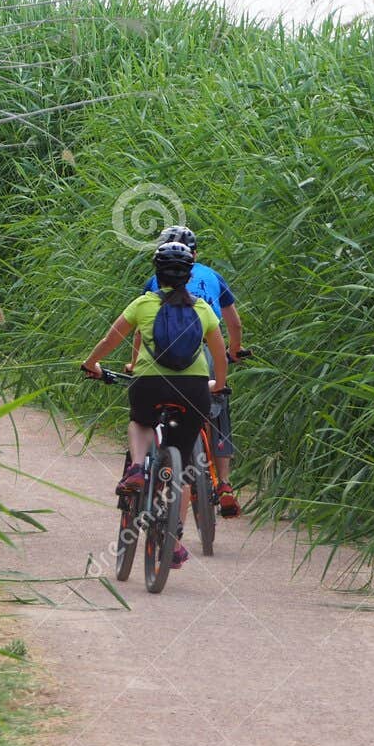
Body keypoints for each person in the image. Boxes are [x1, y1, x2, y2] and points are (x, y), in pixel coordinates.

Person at [83, 241, 227, 569]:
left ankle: (136, 467)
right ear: (189, 274)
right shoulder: (203, 309)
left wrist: (91, 364)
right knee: (185, 469)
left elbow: (111, 340)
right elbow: (219, 355)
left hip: (150, 383)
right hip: (193, 390)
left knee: (140, 421)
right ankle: (172, 540)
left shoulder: (143, 304)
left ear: (156, 272)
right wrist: (217, 386)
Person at [126, 225, 245, 516]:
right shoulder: (213, 278)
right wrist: (234, 351)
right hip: (202, 348)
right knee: (218, 406)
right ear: (195, 256)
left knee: (148, 407)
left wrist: (133, 364)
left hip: (159, 358)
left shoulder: (153, 282)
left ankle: (153, 460)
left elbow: (142, 331)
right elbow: (235, 324)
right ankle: (225, 483)